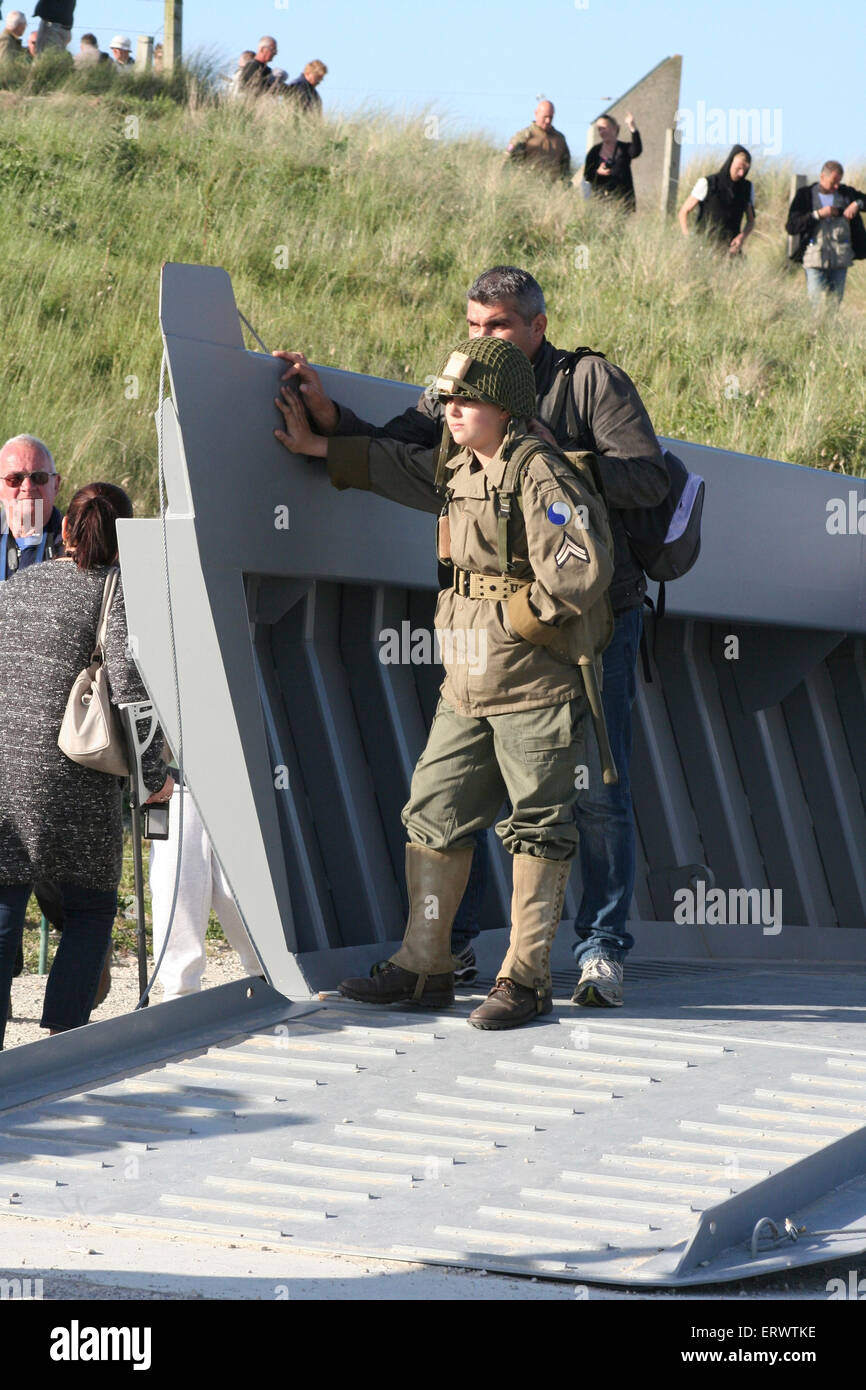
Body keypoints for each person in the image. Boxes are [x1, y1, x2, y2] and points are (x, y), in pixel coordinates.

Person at [274, 267, 667, 1009]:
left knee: (589, 794)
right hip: (475, 658)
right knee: (444, 802)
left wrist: (550, 462)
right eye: (475, 326)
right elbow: (410, 458)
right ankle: (438, 955)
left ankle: (591, 952)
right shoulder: (464, 411)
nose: (483, 342)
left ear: (536, 327)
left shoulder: (586, 388)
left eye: (500, 326)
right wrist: (327, 427)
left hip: (582, 634)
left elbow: (638, 492)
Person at [0, 482, 171, 1048]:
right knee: (91, 909)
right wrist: (155, 775)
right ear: (125, 539)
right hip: (73, 774)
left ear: (66, 529)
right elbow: (130, 689)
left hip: (5, 773)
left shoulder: (17, 586)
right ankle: (61, 1042)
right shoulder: (116, 589)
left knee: (5, 904)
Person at [149, 782, 261, 1003]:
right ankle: (180, 996)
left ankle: (268, 973)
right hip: (175, 782)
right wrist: (153, 775)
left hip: (237, 780)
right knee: (178, 890)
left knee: (238, 891)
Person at [786, 160, 866, 307]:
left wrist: (857, 204)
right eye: (833, 182)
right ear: (822, 177)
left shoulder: (846, 193)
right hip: (814, 260)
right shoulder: (805, 195)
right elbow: (792, 226)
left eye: (839, 182)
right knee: (816, 306)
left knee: (834, 305)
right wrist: (818, 214)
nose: (836, 186)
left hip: (840, 260)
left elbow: (864, 200)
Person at [0, 434, 63, 578]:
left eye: (39, 477)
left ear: (56, 484)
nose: (27, 487)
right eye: (14, 479)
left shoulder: (77, 544)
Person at [678, 144, 755, 255]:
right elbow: (683, 212)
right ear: (730, 163)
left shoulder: (747, 188)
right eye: (738, 168)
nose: (741, 173)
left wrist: (741, 238)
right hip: (703, 251)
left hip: (730, 253)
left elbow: (751, 221)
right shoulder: (707, 183)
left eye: (745, 169)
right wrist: (689, 240)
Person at [582, 112, 642, 211]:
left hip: (623, 203)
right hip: (600, 202)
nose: (602, 132)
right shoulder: (594, 151)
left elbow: (636, 151)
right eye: (599, 129)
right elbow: (587, 176)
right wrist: (598, 172)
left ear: (614, 128)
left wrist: (632, 128)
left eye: (604, 128)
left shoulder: (624, 148)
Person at [506, 100, 571, 181]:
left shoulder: (560, 140)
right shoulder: (524, 136)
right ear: (536, 113)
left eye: (550, 117)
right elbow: (508, 162)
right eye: (545, 117)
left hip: (551, 186)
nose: (548, 121)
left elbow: (565, 171)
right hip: (527, 184)